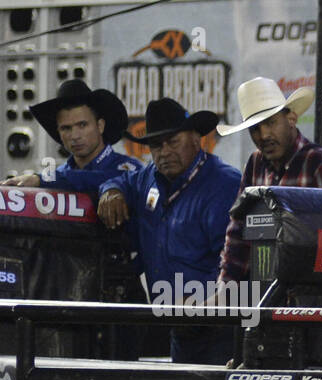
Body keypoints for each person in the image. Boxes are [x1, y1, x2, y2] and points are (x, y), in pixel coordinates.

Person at [97, 98, 242, 364]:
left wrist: (201, 304)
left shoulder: (223, 185)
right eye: (156, 145)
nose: (164, 152)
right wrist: (111, 191)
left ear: (196, 138)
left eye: (173, 141)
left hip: (221, 329)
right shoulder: (149, 177)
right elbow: (121, 179)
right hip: (179, 328)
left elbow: (235, 263)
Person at [216, 77, 322, 287]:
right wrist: (225, 286)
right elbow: (238, 230)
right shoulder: (255, 162)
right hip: (263, 289)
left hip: (309, 293)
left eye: (271, 123)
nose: (264, 135)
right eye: (255, 128)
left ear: (292, 119)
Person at [2, 79, 142, 190]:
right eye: (66, 128)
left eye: (82, 125)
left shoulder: (130, 169)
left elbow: (102, 179)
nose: (75, 136)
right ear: (59, 132)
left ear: (100, 126)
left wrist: (41, 180)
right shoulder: (57, 176)